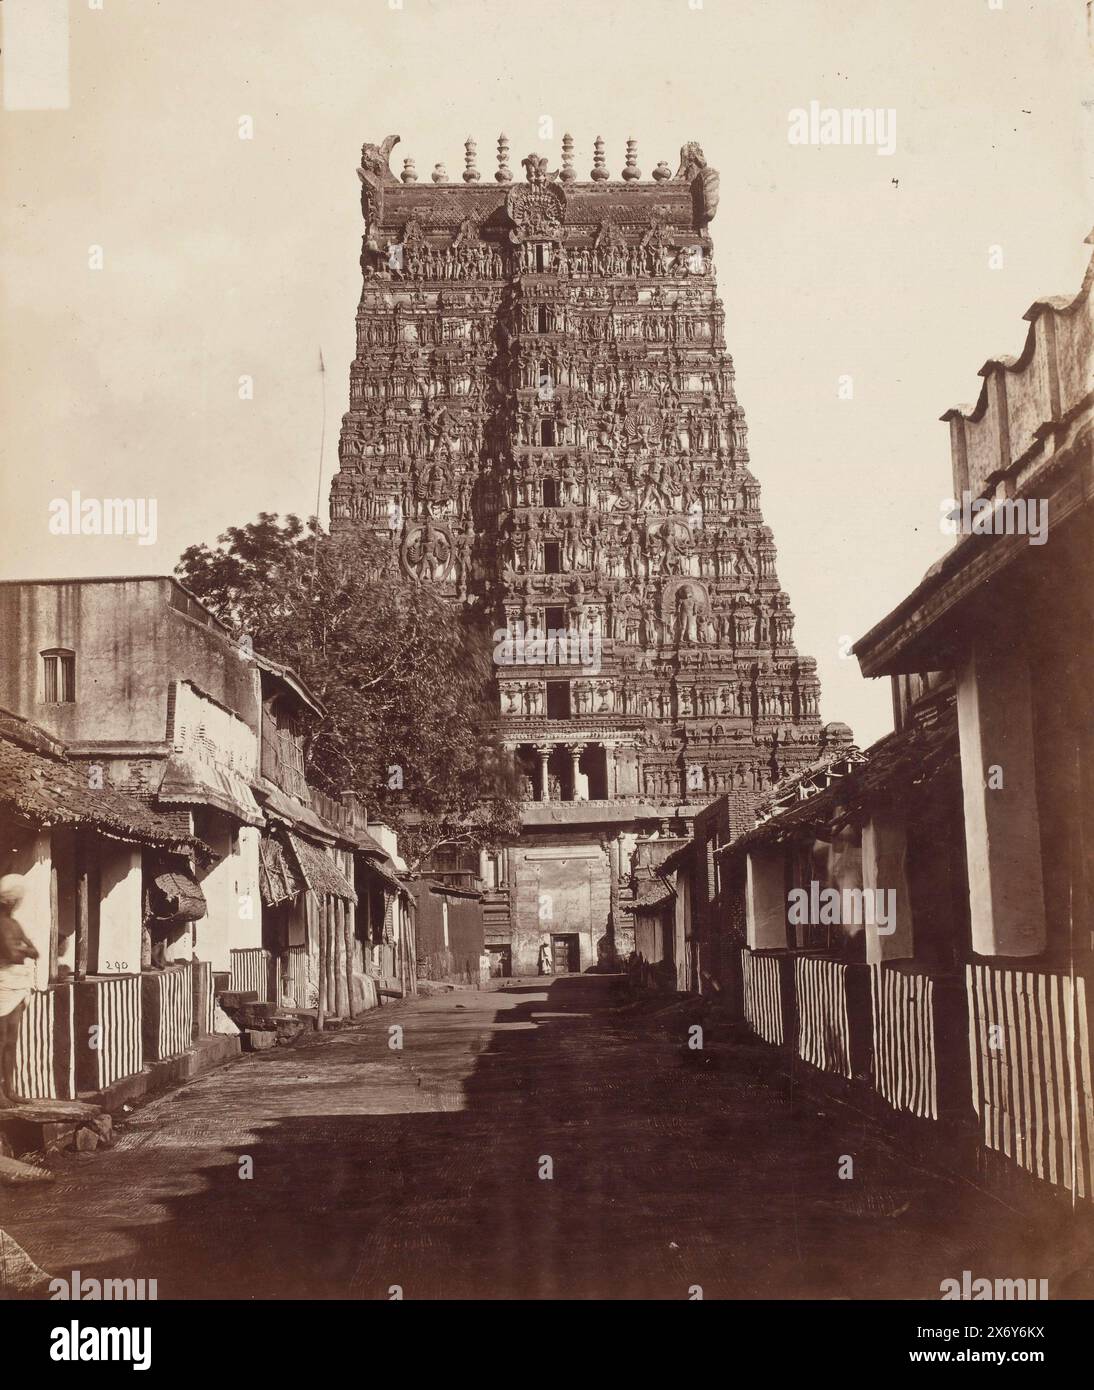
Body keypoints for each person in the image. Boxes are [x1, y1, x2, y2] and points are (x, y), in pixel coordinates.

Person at [0, 874, 38, 1108]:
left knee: (12, 1039)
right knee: (1, 1038)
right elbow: (16, 953)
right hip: (2, 981)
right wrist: (23, 951)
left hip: (16, 981)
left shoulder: (14, 924)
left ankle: (10, 1090)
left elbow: (33, 950)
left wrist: (22, 950)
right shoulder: (3, 923)